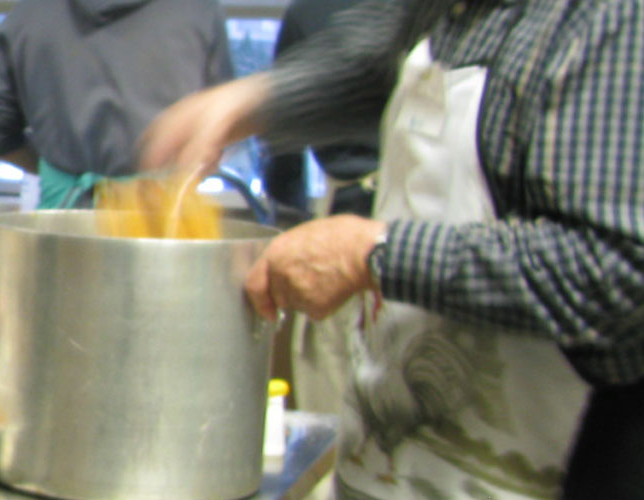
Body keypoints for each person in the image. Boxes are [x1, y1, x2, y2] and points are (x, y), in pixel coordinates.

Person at [139, 0, 644, 497]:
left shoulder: (610, 21)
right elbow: (372, 61)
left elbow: (613, 270)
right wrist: (250, 103)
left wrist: (372, 254)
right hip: (398, 458)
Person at [0, 0, 232, 209]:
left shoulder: (27, 13)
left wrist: (63, 175)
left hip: (61, 229)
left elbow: (0, 138)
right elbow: (226, 128)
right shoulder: (198, 10)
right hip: (164, 225)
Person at [262, 0, 378, 218]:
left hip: (356, 199)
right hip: (353, 198)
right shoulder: (306, 12)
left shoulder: (306, 11)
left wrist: (290, 208)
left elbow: (286, 138)